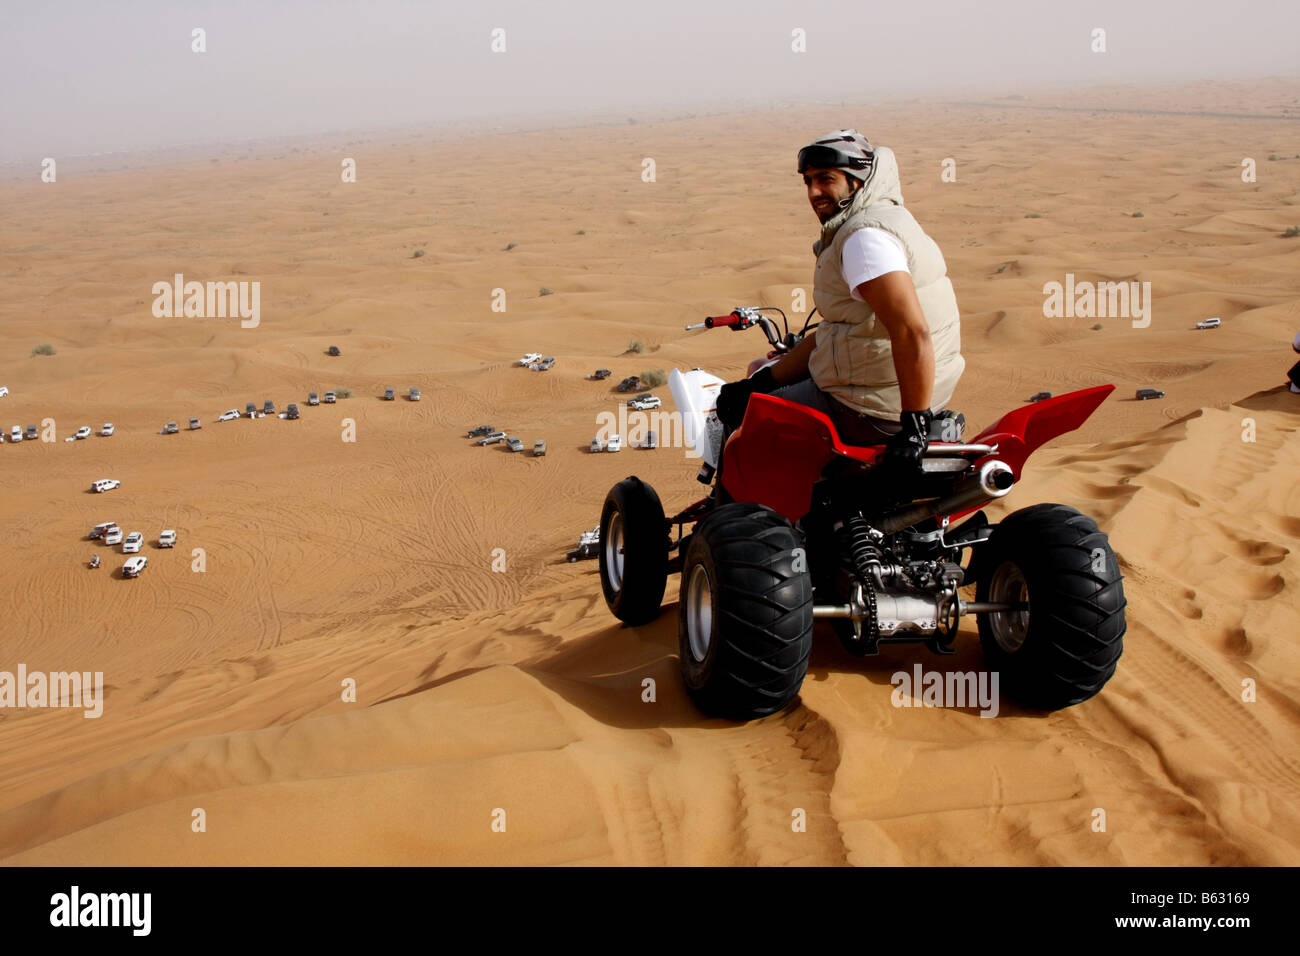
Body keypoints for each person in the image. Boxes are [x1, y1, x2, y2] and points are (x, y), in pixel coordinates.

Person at [716, 129, 966, 480]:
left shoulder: (864, 240)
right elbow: (836, 331)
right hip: (918, 392)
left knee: (747, 417)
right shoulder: (890, 217)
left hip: (873, 407)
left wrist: (914, 424)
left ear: (857, 181)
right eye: (807, 181)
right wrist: (764, 380)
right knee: (757, 391)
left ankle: (736, 513)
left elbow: (912, 330)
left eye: (826, 179)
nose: (814, 192)